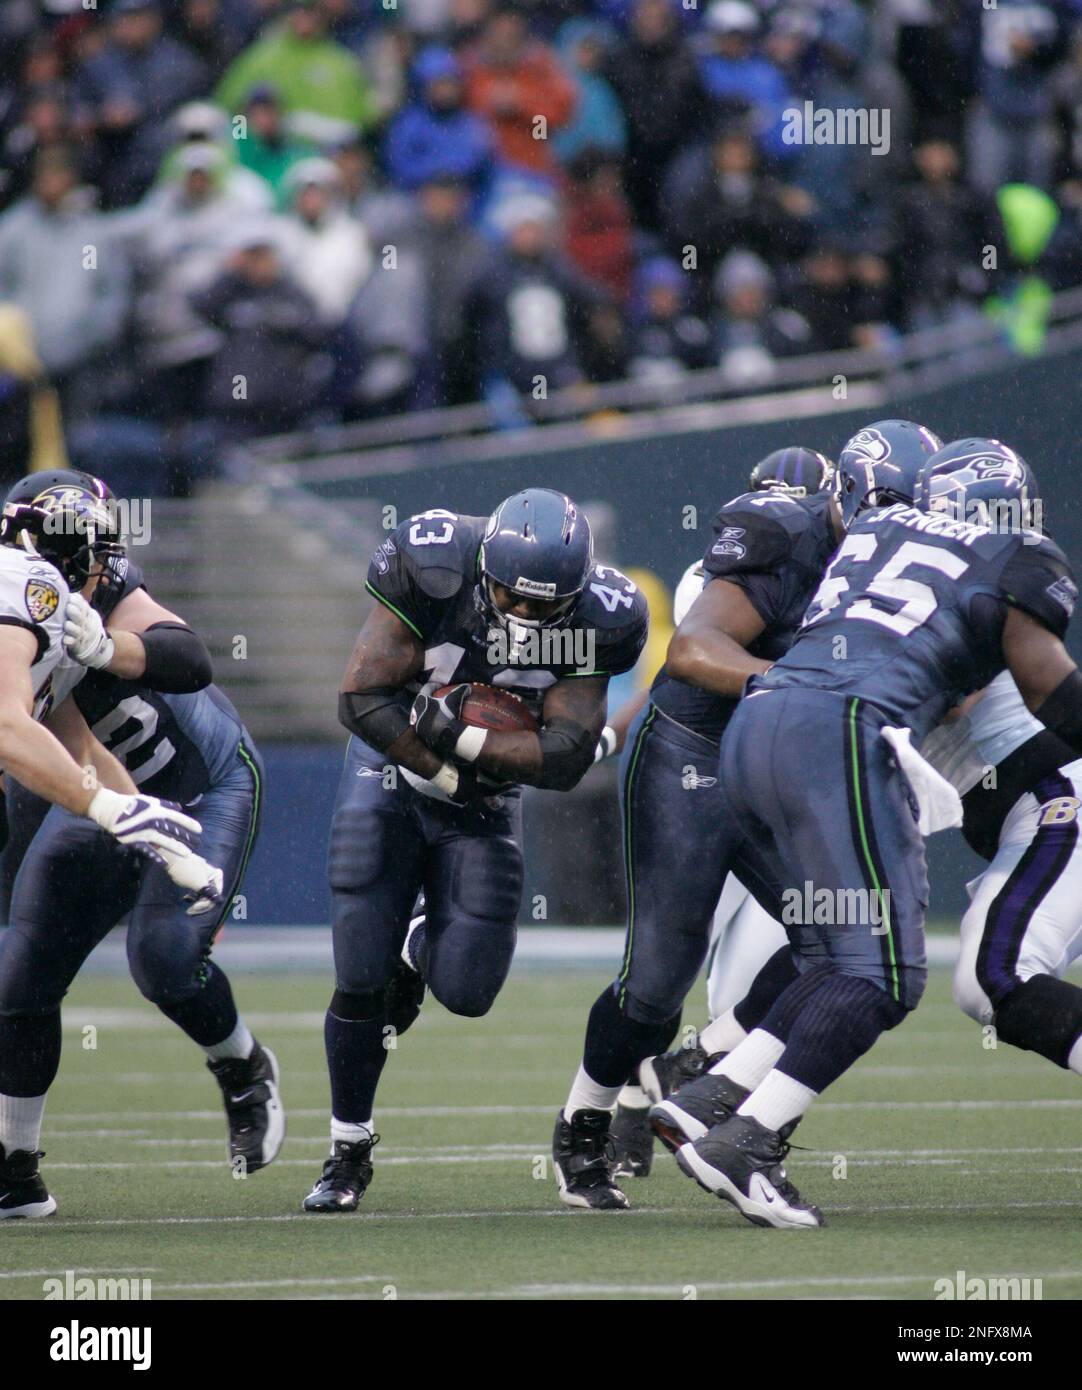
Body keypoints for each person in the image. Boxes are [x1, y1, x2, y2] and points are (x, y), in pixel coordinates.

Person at [658, 435, 1081, 1229]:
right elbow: (1045, 691)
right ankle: (744, 1135)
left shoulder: (867, 540)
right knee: (885, 968)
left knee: (851, 953)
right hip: (846, 738)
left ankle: (716, 1096)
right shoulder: (1012, 565)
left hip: (765, 730)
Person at [303, 488, 647, 1212]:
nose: (523, 615)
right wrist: (441, 768)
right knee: (360, 974)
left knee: (467, 992)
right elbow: (361, 698)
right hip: (390, 771)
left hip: (486, 790)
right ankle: (347, 1150)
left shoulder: (603, 616)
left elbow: (563, 757)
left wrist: (460, 739)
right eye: (509, 597)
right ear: (482, 570)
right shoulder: (431, 562)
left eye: (542, 605)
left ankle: (417, 946)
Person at [0, 471, 223, 1217]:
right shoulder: (26, 582)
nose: (106, 571)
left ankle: (12, 1179)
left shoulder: (54, 611)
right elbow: (8, 727)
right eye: (96, 554)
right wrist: (102, 806)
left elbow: (75, 742)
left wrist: (151, 831)